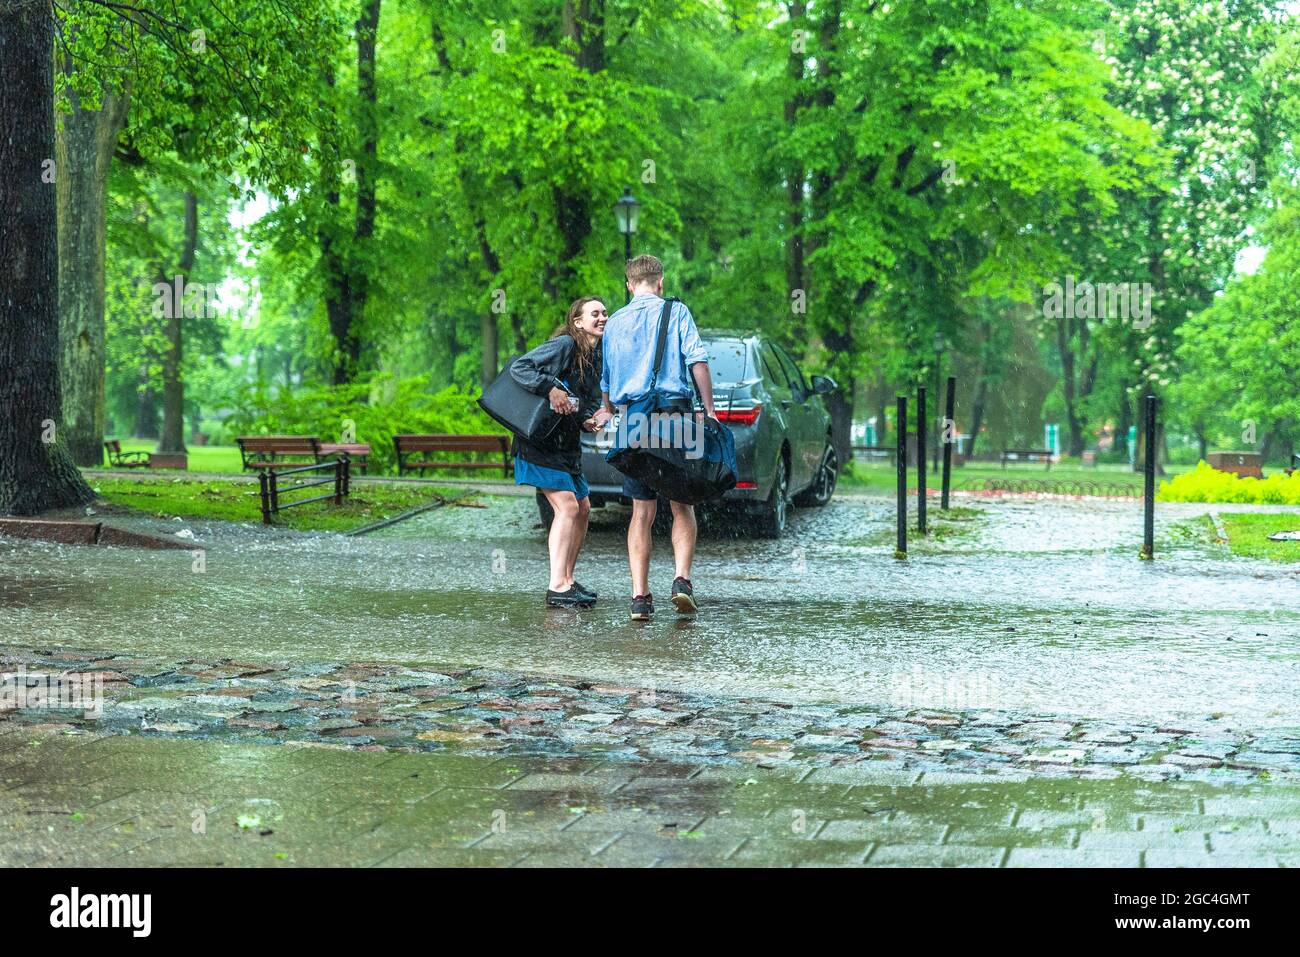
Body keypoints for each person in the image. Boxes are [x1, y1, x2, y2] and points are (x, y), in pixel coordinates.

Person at [601, 254, 717, 620]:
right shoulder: (677, 312)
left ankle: (639, 597)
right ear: (661, 282)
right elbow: (697, 360)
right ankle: (682, 581)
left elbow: (606, 379)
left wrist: (609, 409)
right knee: (683, 503)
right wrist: (710, 411)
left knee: (641, 511)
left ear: (629, 284)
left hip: (633, 418)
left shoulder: (615, 322)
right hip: (674, 413)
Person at [510, 297, 611, 608]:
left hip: (566, 447)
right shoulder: (565, 344)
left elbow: (582, 406)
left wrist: (590, 421)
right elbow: (519, 367)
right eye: (595, 313)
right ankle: (557, 586)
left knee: (583, 509)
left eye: (605, 313)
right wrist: (550, 389)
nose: (602, 318)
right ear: (578, 322)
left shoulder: (595, 358)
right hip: (539, 443)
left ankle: (567, 578)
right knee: (567, 508)